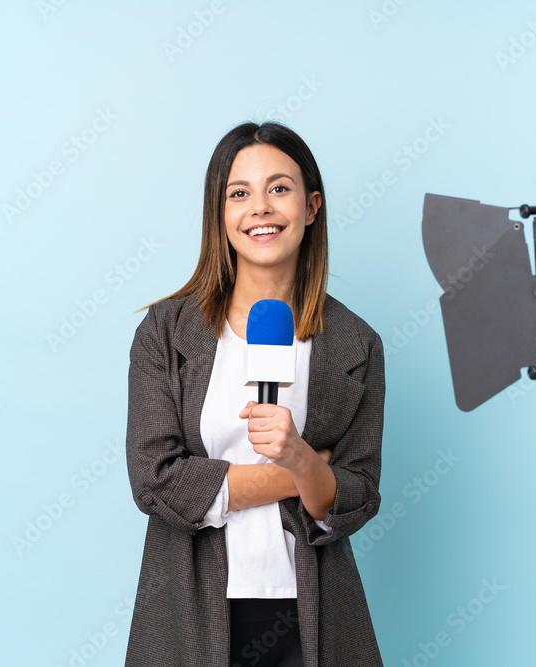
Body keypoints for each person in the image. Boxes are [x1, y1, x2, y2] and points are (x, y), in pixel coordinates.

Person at [124, 121, 385, 667]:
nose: (260, 208)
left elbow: (354, 497)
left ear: (311, 207)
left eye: (280, 188)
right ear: (219, 214)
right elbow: (156, 481)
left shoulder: (355, 343)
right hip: (190, 606)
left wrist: (296, 453)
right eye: (239, 193)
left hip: (312, 606)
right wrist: (302, 470)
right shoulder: (167, 333)